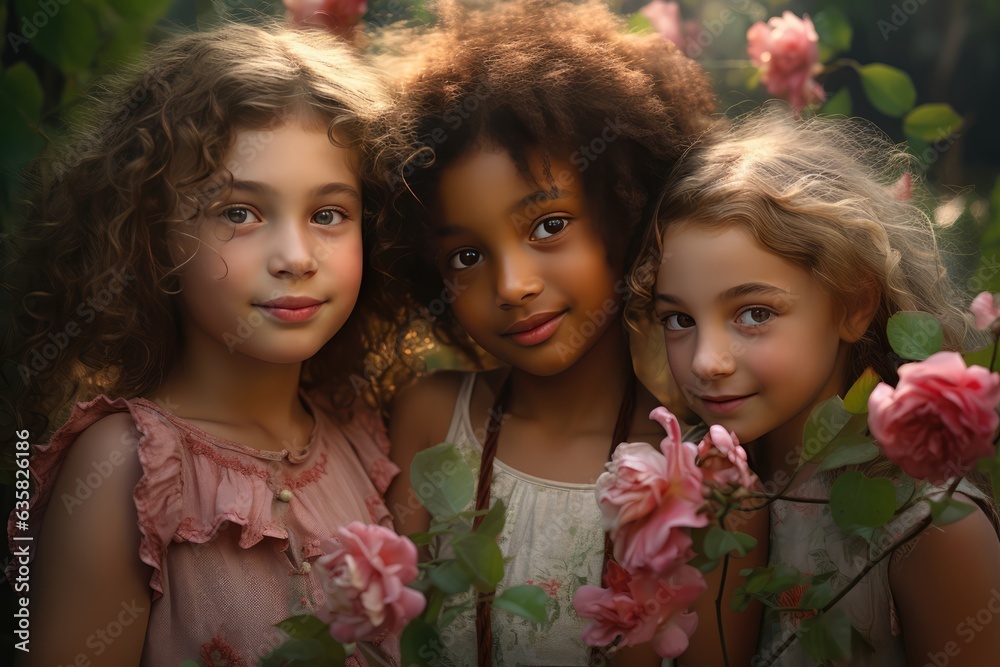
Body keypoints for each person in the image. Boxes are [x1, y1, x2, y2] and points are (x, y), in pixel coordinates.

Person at [4, 23, 411, 667]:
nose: (296, 258)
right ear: (151, 235)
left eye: (328, 214)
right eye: (240, 213)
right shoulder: (128, 467)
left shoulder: (361, 432)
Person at [381, 1, 765, 664]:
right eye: (466, 257)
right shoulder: (430, 418)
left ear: (626, 207)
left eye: (549, 225)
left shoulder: (707, 481)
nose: (512, 285)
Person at [631, 106, 1000, 666]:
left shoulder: (928, 528)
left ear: (852, 305)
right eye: (678, 320)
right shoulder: (685, 493)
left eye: (754, 314)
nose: (706, 361)